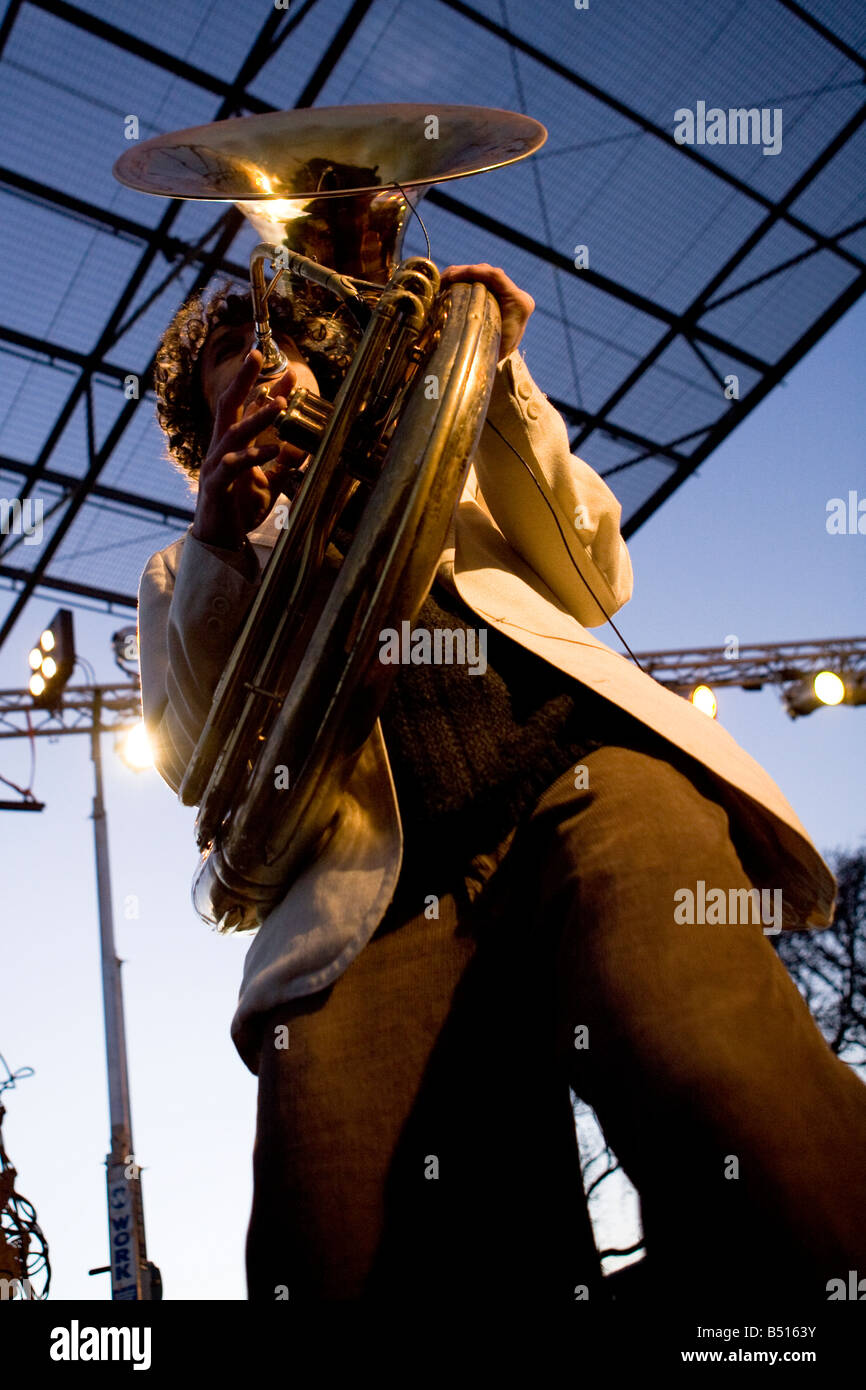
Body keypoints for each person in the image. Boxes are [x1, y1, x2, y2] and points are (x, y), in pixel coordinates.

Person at [138, 265, 866, 1308]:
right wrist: (220, 541)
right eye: (234, 368)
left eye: (284, 345)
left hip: (580, 783)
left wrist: (496, 376)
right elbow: (198, 762)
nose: (270, 368)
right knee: (342, 1239)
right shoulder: (180, 568)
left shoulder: (445, 453)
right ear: (193, 432)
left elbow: (593, 577)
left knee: (714, 1071)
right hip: (368, 900)